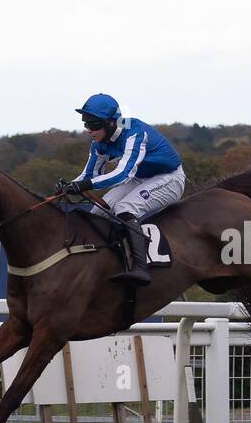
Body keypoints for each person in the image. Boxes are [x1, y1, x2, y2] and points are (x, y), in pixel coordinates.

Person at [56, 94, 185, 285]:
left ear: (110, 123)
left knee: (125, 208)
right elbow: (88, 175)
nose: (88, 129)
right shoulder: (98, 144)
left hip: (169, 178)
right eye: (85, 123)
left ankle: (140, 268)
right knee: (98, 213)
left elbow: (123, 174)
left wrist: (85, 185)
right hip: (140, 178)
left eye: (93, 124)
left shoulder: (134, 133)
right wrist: (69, 186)